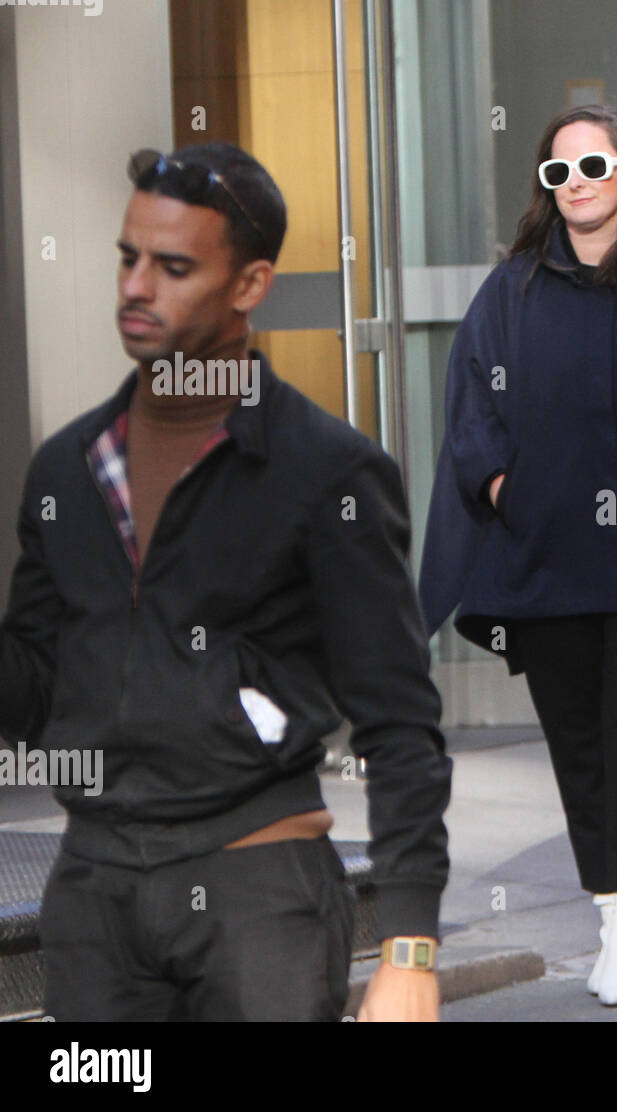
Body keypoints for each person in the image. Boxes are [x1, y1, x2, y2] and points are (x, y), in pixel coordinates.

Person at [0, 143, 452, 1021]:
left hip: (258, 887)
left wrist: (409, 946)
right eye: (129, 257)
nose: (137, 287)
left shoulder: (327, 471)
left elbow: (400, 720)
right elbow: (36, 692)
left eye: (173, 267)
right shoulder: (67, 469)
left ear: (249, 285)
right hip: (93, 891)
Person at [418, 106, 617, 1007]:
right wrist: (500, 492)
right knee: (577, 738)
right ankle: (610, 907)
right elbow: (472, 404)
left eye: (593, 165)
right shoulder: (511, 291)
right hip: (549, 556)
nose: (578, 184)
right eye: (558, 173)